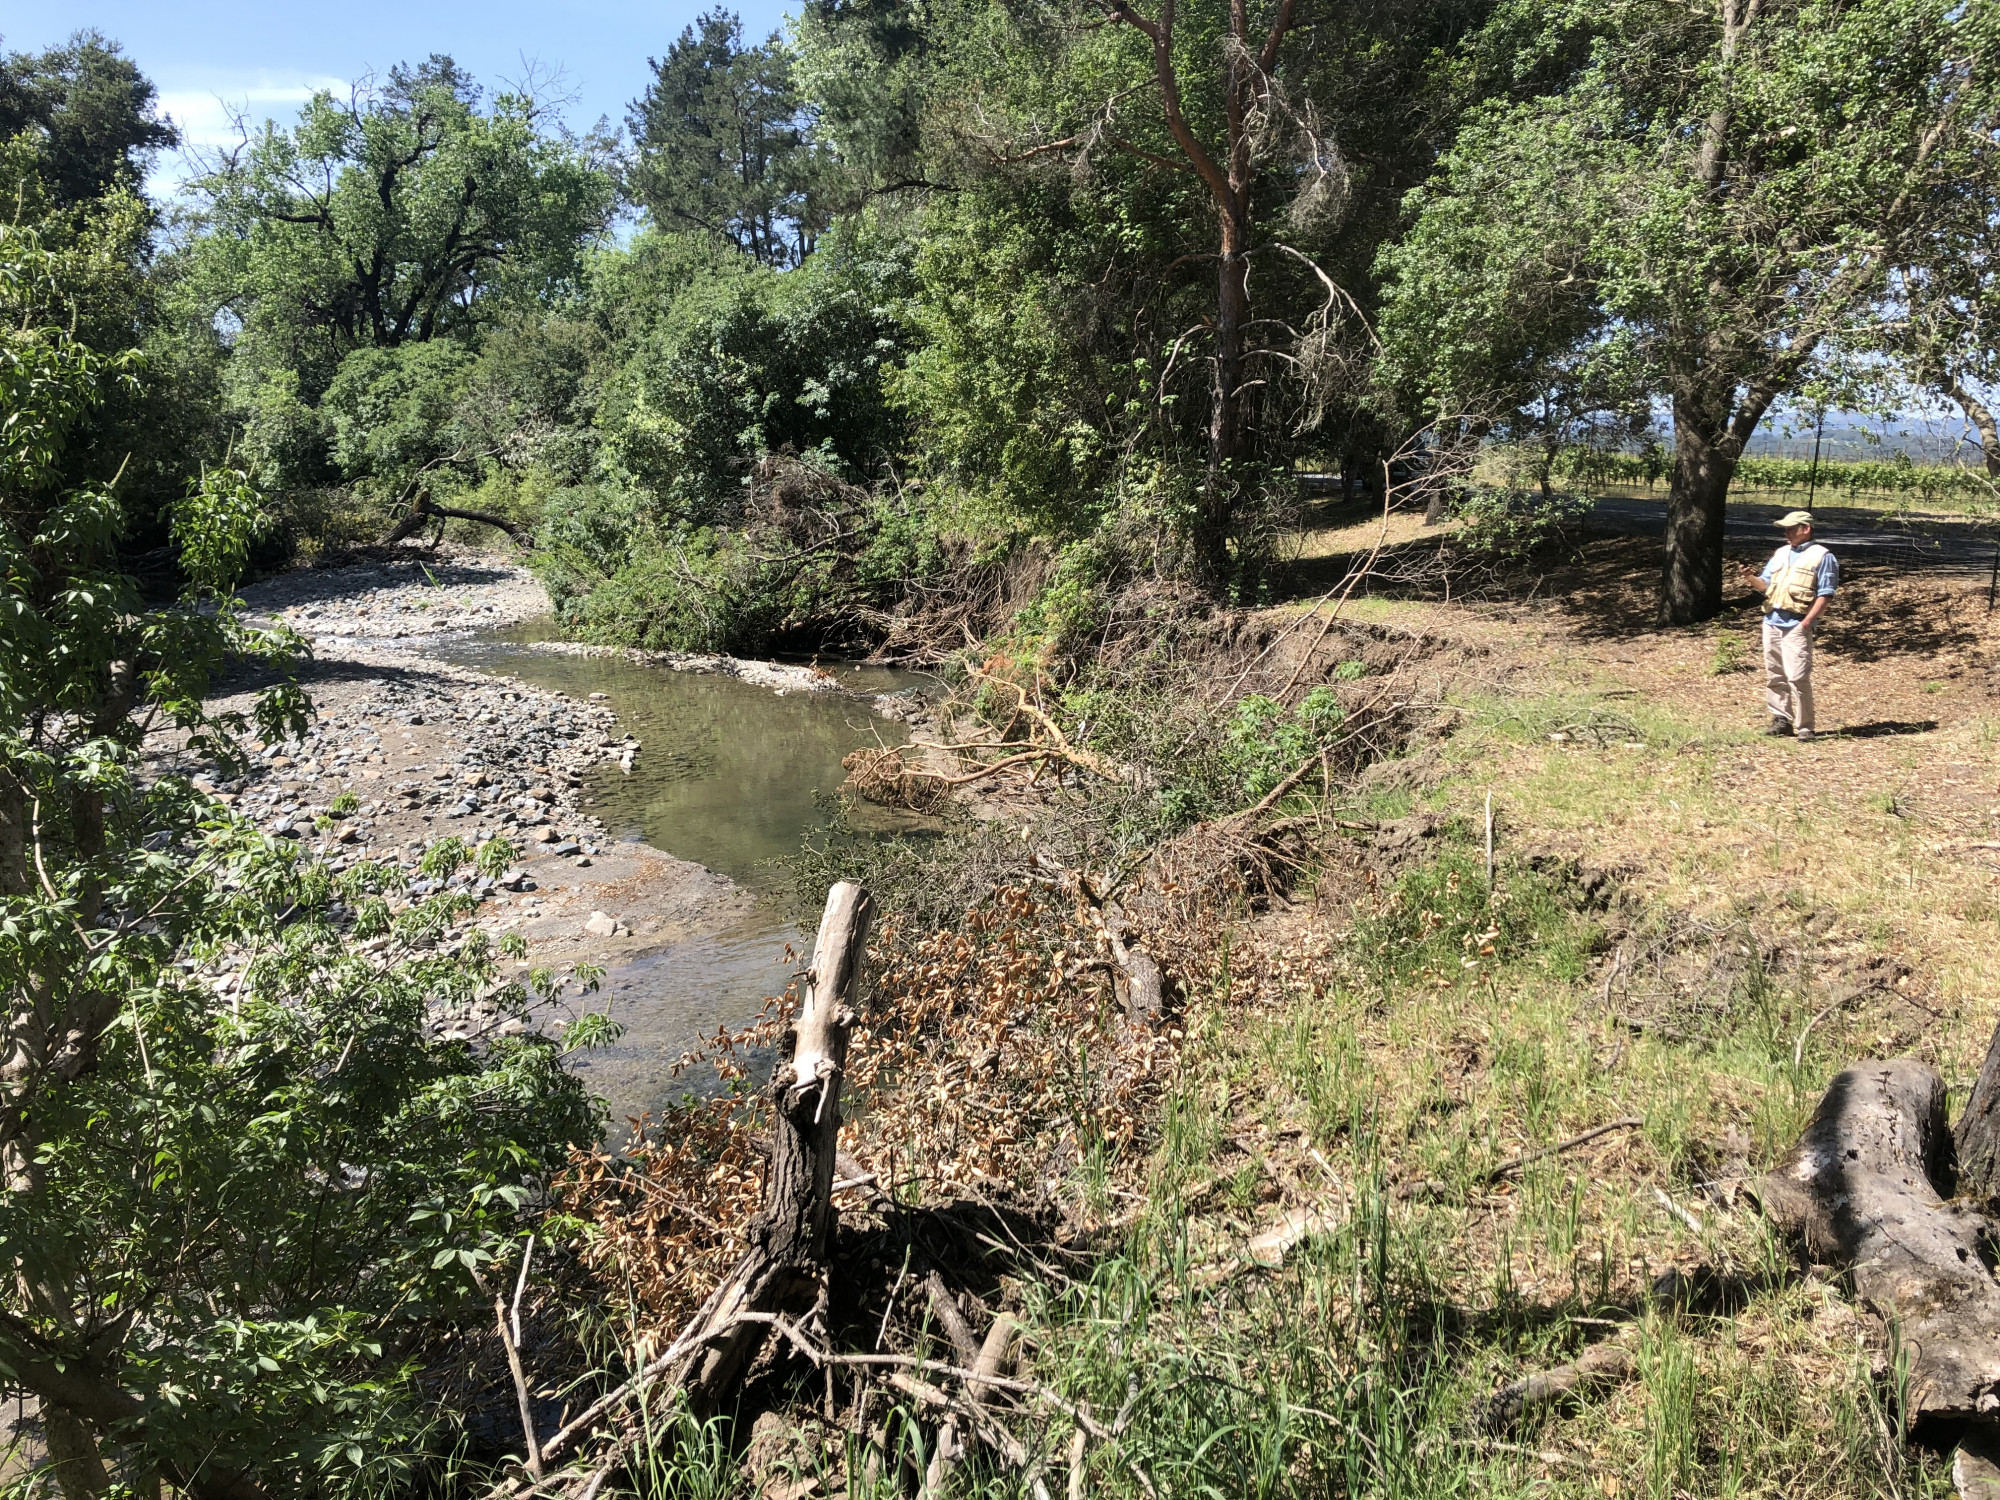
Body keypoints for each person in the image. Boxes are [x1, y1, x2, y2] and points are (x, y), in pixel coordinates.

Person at [1737, 510, 1837, 742]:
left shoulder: (1823, 556)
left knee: (1798, 677)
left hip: (1796, 624)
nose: (1786, 533)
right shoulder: (1780, 553)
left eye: (1791, 529)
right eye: (1785, 529)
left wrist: (1807, 623)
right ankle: (1781, 720)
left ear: (1806, 528)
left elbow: (1826, 594)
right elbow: (1764, 586)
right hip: (1771, 621)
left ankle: (1805, 727)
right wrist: (1749, 577)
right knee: (1775, 674)